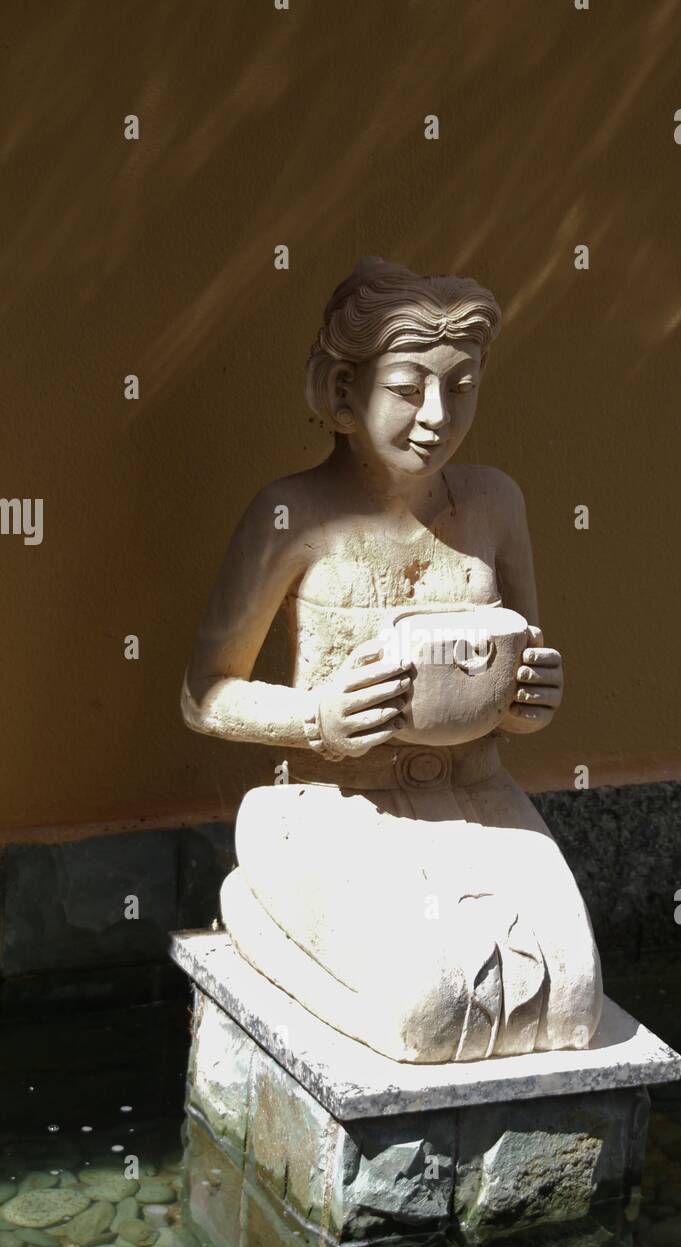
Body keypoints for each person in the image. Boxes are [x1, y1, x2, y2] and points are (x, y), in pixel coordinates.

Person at [181, 257, 602, 1063]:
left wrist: (531, 694)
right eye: (409, 388)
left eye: (463, 385)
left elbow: (524, 656)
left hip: (476, 794)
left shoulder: (495, 504)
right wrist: (317, 717)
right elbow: (205, 694)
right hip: (332, 804)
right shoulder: (289, 515)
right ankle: (263, 911)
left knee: (569, 1002)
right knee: (436, 1011)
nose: (438, 415)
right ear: (343, 392)